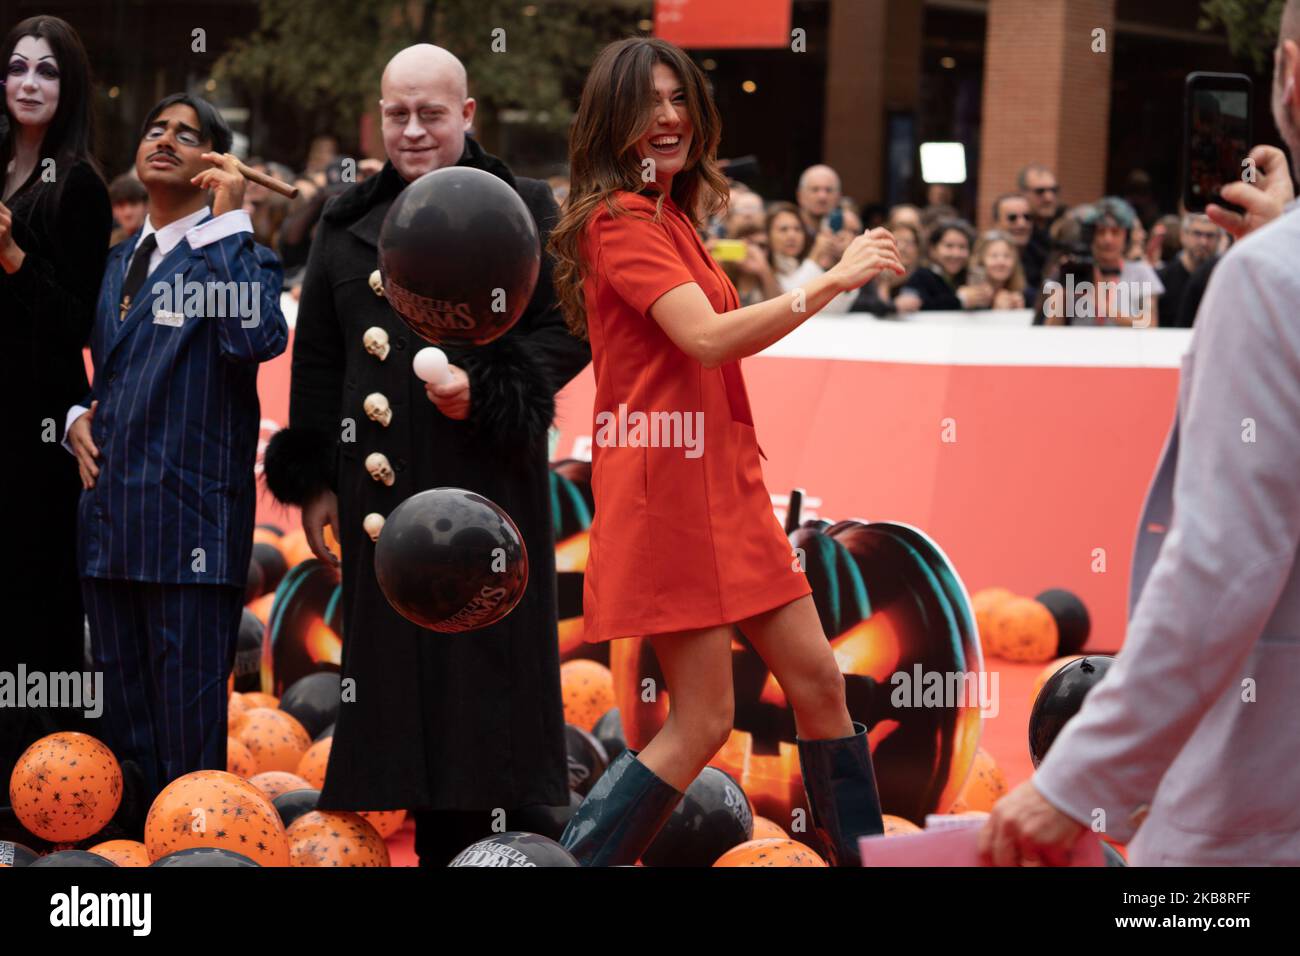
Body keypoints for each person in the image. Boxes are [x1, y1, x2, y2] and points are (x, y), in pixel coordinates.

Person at [547, 36, 902, 867]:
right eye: (647, 104)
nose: (667, 117)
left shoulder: (670, 215)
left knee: (819, 682)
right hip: (666, 490)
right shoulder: (618, 221)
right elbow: (706, 339)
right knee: (702, 720)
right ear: (612, 122)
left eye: (678, 99)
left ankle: (869, 862)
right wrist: (829, 281)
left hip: (721, 483)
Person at [981, 0, 1300, 867]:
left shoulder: (1268, 284)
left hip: (1261, 803)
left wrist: (1075, 780)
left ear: (1291, 80)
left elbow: (1225, 562)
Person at [262, 44, 590, 866]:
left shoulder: (527, 206)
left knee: (484, 696)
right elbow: (322, 360)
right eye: (397, 114)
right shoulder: (344, 219)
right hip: (381, 489)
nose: (412, 130)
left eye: (431, 113)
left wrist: (486, 387)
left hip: (490, 489)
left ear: (468, 115)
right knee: (397, 697)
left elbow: (568, 330)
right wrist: (316, 484)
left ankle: (490, 851)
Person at [63, 93, 287, 826]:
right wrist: (72, 415)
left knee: (190, 751)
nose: (164, 139)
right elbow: (86, 362)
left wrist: (228, 219)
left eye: (187, 136)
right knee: (124, 740)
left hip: (190, 532)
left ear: (213, 166)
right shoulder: (117, 261)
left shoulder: (241, 254)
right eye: (156, 128)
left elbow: (252, 340)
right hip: (111, 528)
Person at [0, 14, 111, 777]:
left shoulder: (79, 186)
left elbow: (80, 319)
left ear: (67, 90)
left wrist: (13, 259)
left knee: (33, 599)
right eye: (17, 67)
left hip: (35, 421)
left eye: (47, 71)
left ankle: (49, 778)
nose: (29, 83)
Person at [1040, 197, 1162, 327]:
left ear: (1126, 237)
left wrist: (1104, 307)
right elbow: (1051, 331)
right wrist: (1061, 294)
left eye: (1115, 232)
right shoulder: (1072, 269)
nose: (1107, 239)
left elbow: (1150, 325)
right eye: (1100, 232)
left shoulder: (1141, 272)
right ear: (1090, 235)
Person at [894, 219, 978, 313]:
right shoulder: (922, 276)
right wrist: (960, 300)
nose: (956, 254)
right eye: (949, 246)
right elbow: (918, 306)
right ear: (933, 249)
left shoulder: (968, 277)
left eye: (962, 247)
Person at [1157, 213, 1220, 328]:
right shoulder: (1161, 278)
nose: (1203, 242)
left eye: (1210, 236)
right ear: (1183, 236)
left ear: (1219, 239)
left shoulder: (1223, 280)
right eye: (1197, 234)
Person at [851, 221, 921, 316]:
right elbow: (857, 305)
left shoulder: (923, 277)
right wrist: (885, 286)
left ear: (918, 249)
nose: (903, 247)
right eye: (897, 242)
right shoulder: (867, 272)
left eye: (909, 242)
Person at [968, 230, 1031, 309]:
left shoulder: (1025, 295)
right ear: (981, 261)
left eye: (1007, 256)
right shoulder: (970, 298)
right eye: (994, 256)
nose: (1001, 262)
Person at [991, 192, 1036, 285]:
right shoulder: (981, 258)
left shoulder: (1042, 256)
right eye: (1012, 218)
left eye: (1027, 217)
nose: (1022, 224)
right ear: (996, 223)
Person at [795, 163, 841, 238]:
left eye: (828, 190)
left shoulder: (847, 229)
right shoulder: (787, 233)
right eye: (815, 190)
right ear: (800, 195)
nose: (822, 197)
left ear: (838, 196)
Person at [108, 172, 147, 246]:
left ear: (145, 206)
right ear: (113, 211)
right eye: (121, 206)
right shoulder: (110, 244)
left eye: (133, 204)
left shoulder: (156, 239)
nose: (127, 213)